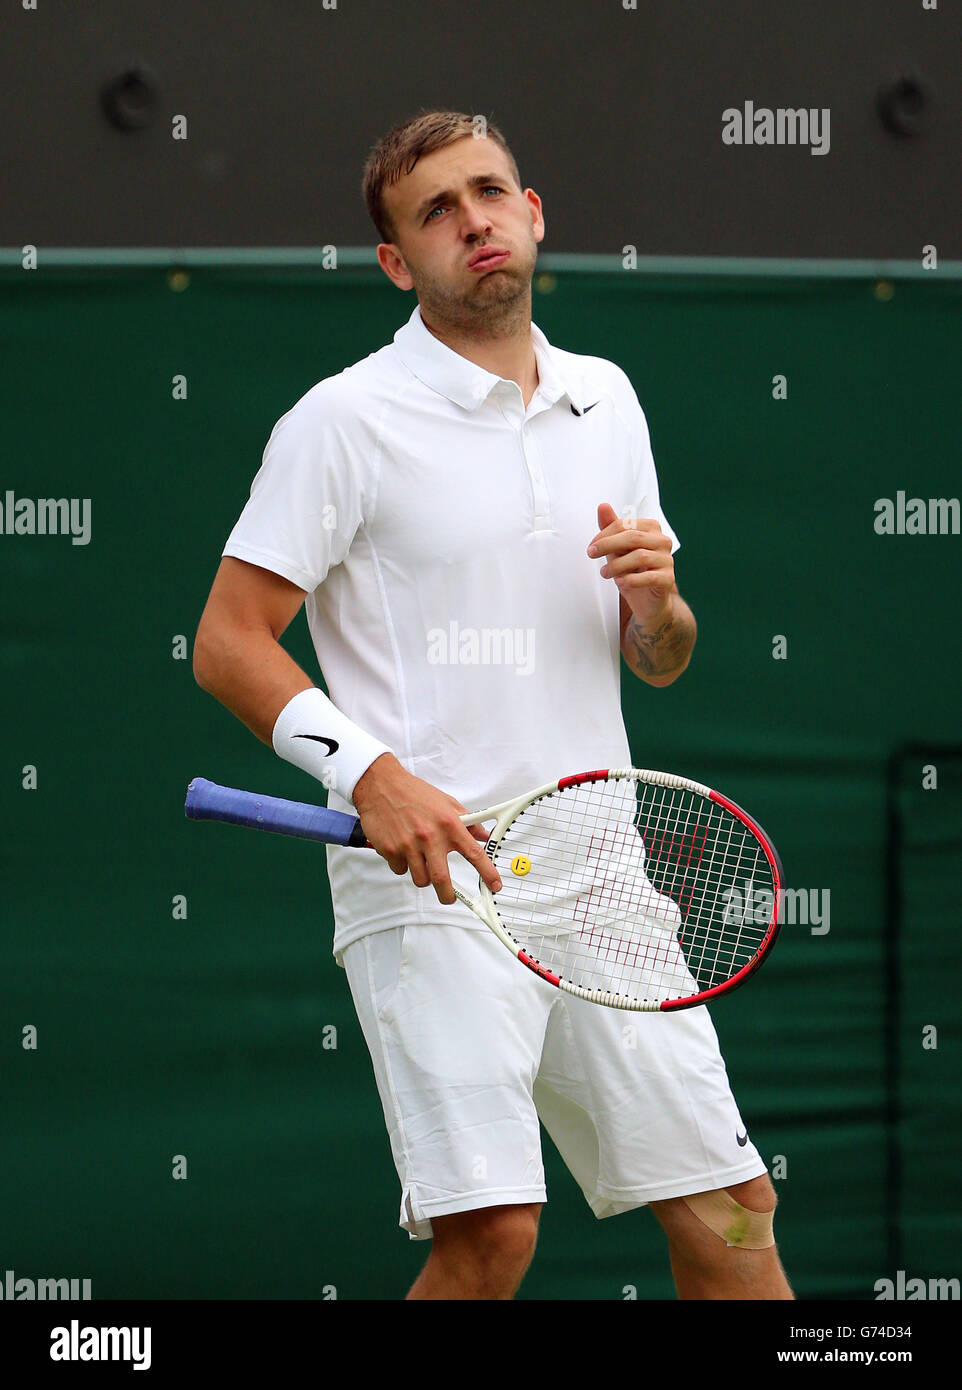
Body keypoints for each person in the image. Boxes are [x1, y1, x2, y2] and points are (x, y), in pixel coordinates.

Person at [192, 109, 793, 1301]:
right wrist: (369, 773)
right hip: (434, 885)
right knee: (492, 1234)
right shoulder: (341, 421)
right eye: (435, 210)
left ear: (531, 214)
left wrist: (662, 608)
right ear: (394, 262)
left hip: (600, 871)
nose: (471, 220)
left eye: (488, 192)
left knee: (731, 1213)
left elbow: (655, 660)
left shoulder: (606, 400)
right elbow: (225, 641)